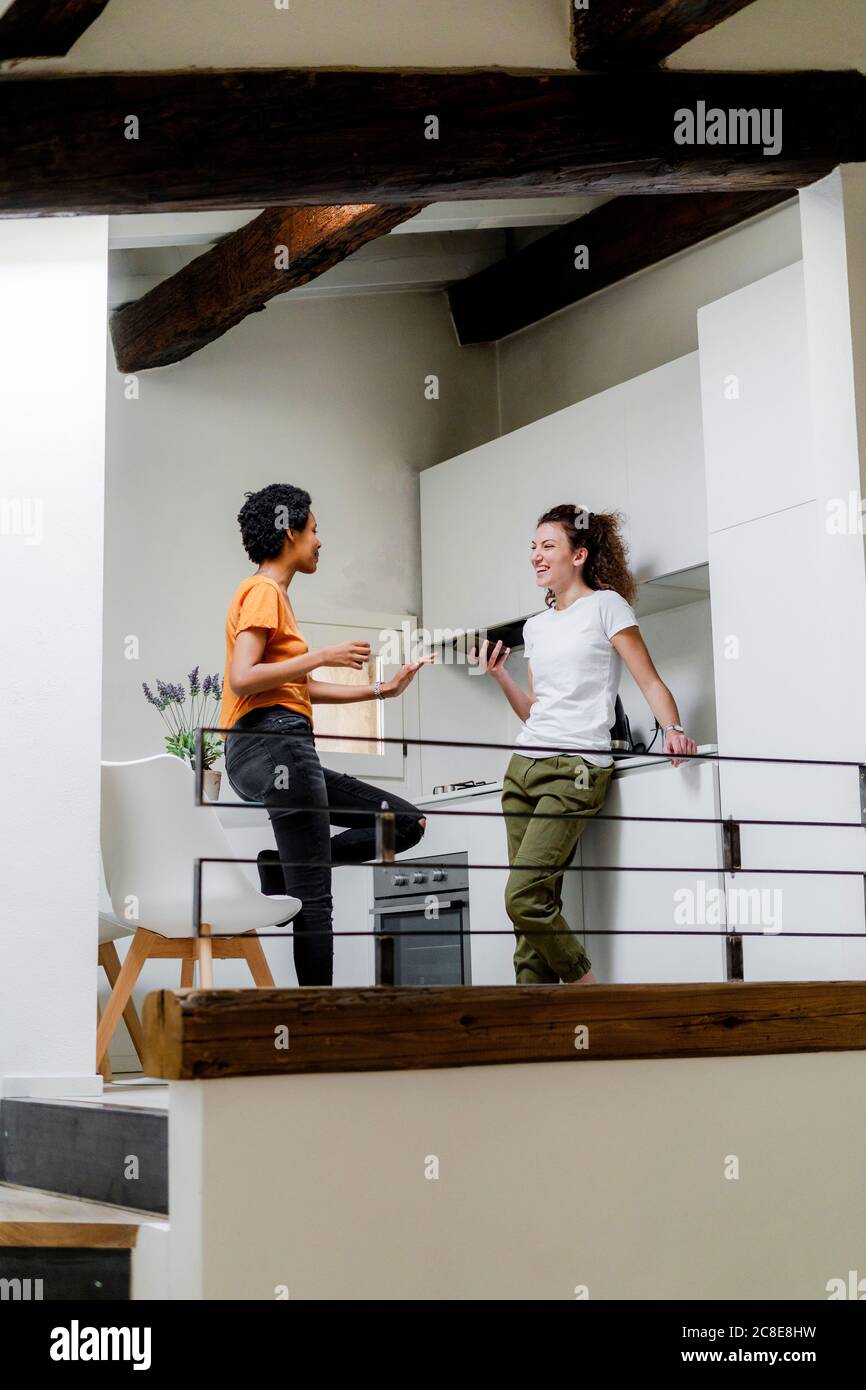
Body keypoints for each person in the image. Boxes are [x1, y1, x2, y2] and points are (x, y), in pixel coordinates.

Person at [471, 503, 698, 986]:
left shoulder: (607, 606)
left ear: (579, 555)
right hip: (522, 769)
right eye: (532, 547)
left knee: (523, 897)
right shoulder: (536, 626)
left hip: (575, 770)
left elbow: (649, 680)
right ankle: (536, 1040)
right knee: (529, 918)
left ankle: (587, 992)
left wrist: (674, 729)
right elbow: (537, 710)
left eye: (547, 546)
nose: (536, 555)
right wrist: (500, 678)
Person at [220, 483, 429, 986]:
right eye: (314, 530)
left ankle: (283, 868)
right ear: (290, 531)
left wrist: (380, 692)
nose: (319, 541)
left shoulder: (272, 598)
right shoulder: (264, 591)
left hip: (268, 748)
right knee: (315, 900)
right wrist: (323, 653)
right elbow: (242, 677)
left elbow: (299, 687)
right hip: (275, 745)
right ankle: (315, 1028)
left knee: (404, 823)